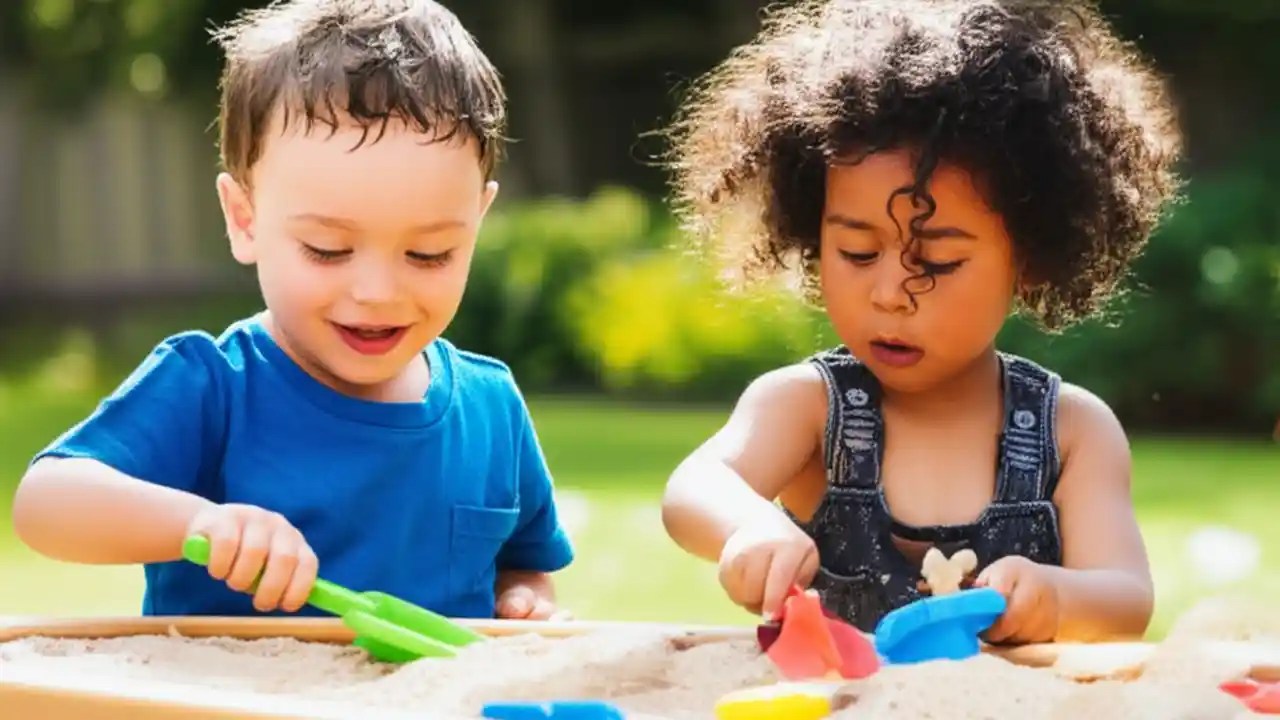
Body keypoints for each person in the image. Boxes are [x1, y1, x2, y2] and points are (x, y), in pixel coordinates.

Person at [12, 0, 574, 623]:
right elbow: (45, 503)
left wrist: (527, 599)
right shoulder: (214, 387)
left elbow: (525, 561)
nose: (377, 292)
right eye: (327, 249)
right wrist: (202, 522)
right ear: (244, 218)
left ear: (477, 223)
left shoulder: (490, 406)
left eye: (429, 253)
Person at [660, 0, 1182, 644]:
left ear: (1031, 259)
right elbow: (696, 486)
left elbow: (1126, 597)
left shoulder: (1073, 432)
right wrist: (749, 527)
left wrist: (1055, 598)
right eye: (856, 252)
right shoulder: (810, 409)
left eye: (935, 260)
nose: (889, 294)